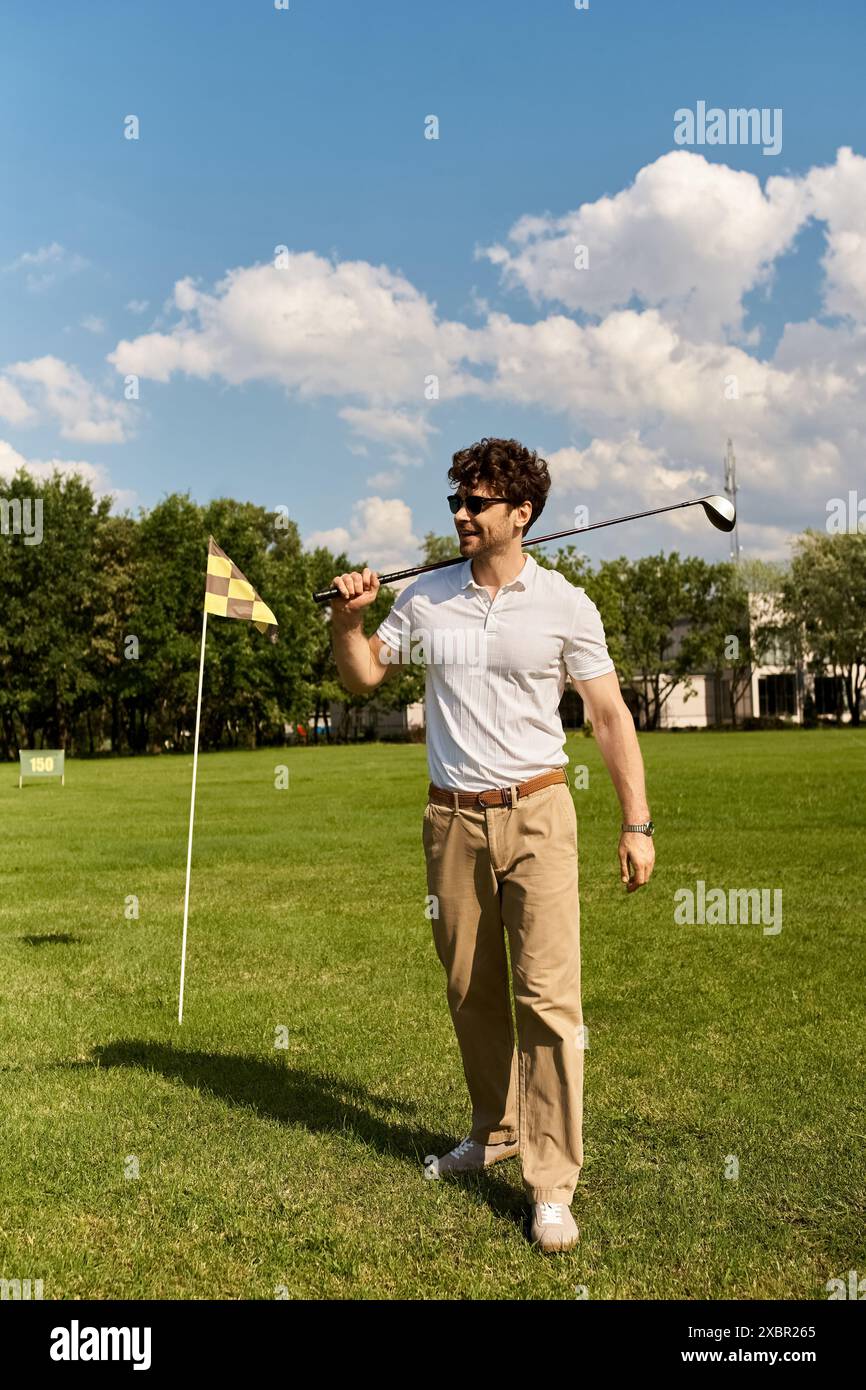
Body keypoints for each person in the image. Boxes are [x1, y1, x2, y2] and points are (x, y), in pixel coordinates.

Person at [329, 437, 655, 1253]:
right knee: (470, 987)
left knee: (548, 998)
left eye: (478, 504)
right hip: (450, 820)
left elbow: (609, 717)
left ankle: (550, 1185)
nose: (463, 515)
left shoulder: (566, 605)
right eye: (457, 503)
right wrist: (349, 620)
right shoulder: (428, 598)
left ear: (523, 514)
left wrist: (636, 822)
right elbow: (363, 677)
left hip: (540, 812)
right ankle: (495, 1130)